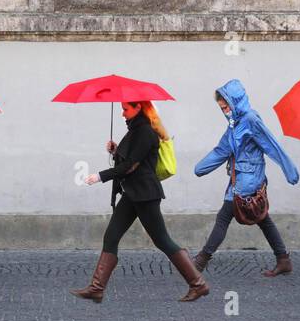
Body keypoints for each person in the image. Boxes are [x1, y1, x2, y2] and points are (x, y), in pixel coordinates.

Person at [72, 101, 209, 303]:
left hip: (145, 195)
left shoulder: (145, 132)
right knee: (111, 236)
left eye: (126, 109)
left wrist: (100, 176)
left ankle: (198, 285)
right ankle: (97, 288)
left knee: (162, 240)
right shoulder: (135, 129)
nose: (122, 113)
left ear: (138, 108)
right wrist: (115, 150)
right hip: (132, 193)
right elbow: (131, 158)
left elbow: (130, 166)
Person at [192, 79, 300, 276]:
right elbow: (222, 150)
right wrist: (200, 168)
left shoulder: (250, 119)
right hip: (239, 178)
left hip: (249, 180)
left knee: (224, 216)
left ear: (235, 102)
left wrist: (289, 171)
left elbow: (271, 145)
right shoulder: (234, 125)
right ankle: (283, 259)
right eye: (221, 108)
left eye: (226, 107)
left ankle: (200, 261)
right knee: (262, 218)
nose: (224, 111)